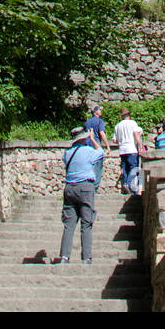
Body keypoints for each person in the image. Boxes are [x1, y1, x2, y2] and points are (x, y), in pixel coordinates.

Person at [55, 126, 105, 264]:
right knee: (86, 223)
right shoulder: (89, 151)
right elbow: (101, 152)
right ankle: (86, 257)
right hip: (85, 188)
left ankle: (64, 257)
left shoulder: (67, 154)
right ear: (84, 138)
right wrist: (93, 139)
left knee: (69, 224)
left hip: (69, 188)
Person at [112, 105, 143, 195]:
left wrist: (122, 140)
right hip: (131, 149)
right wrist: (140, 144)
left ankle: (126, 185)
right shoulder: (132, 123)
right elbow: (136, 134)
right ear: (129, 115)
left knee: (125, 169)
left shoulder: (117, 126)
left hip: (122, 150)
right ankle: (129, 184)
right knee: (134, 168)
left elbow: (114, 140)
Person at [83, 105, 110, 190]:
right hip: (96, 145)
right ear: (96, 112)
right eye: (99, 110)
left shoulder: (88, 121)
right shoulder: (100, 121)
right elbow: (102, 133)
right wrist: (107, 146)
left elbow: (86, 133)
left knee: (89, 165)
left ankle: (87, 184)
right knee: (98, 166)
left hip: (87, 145)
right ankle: (94, 187)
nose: (101, 112)